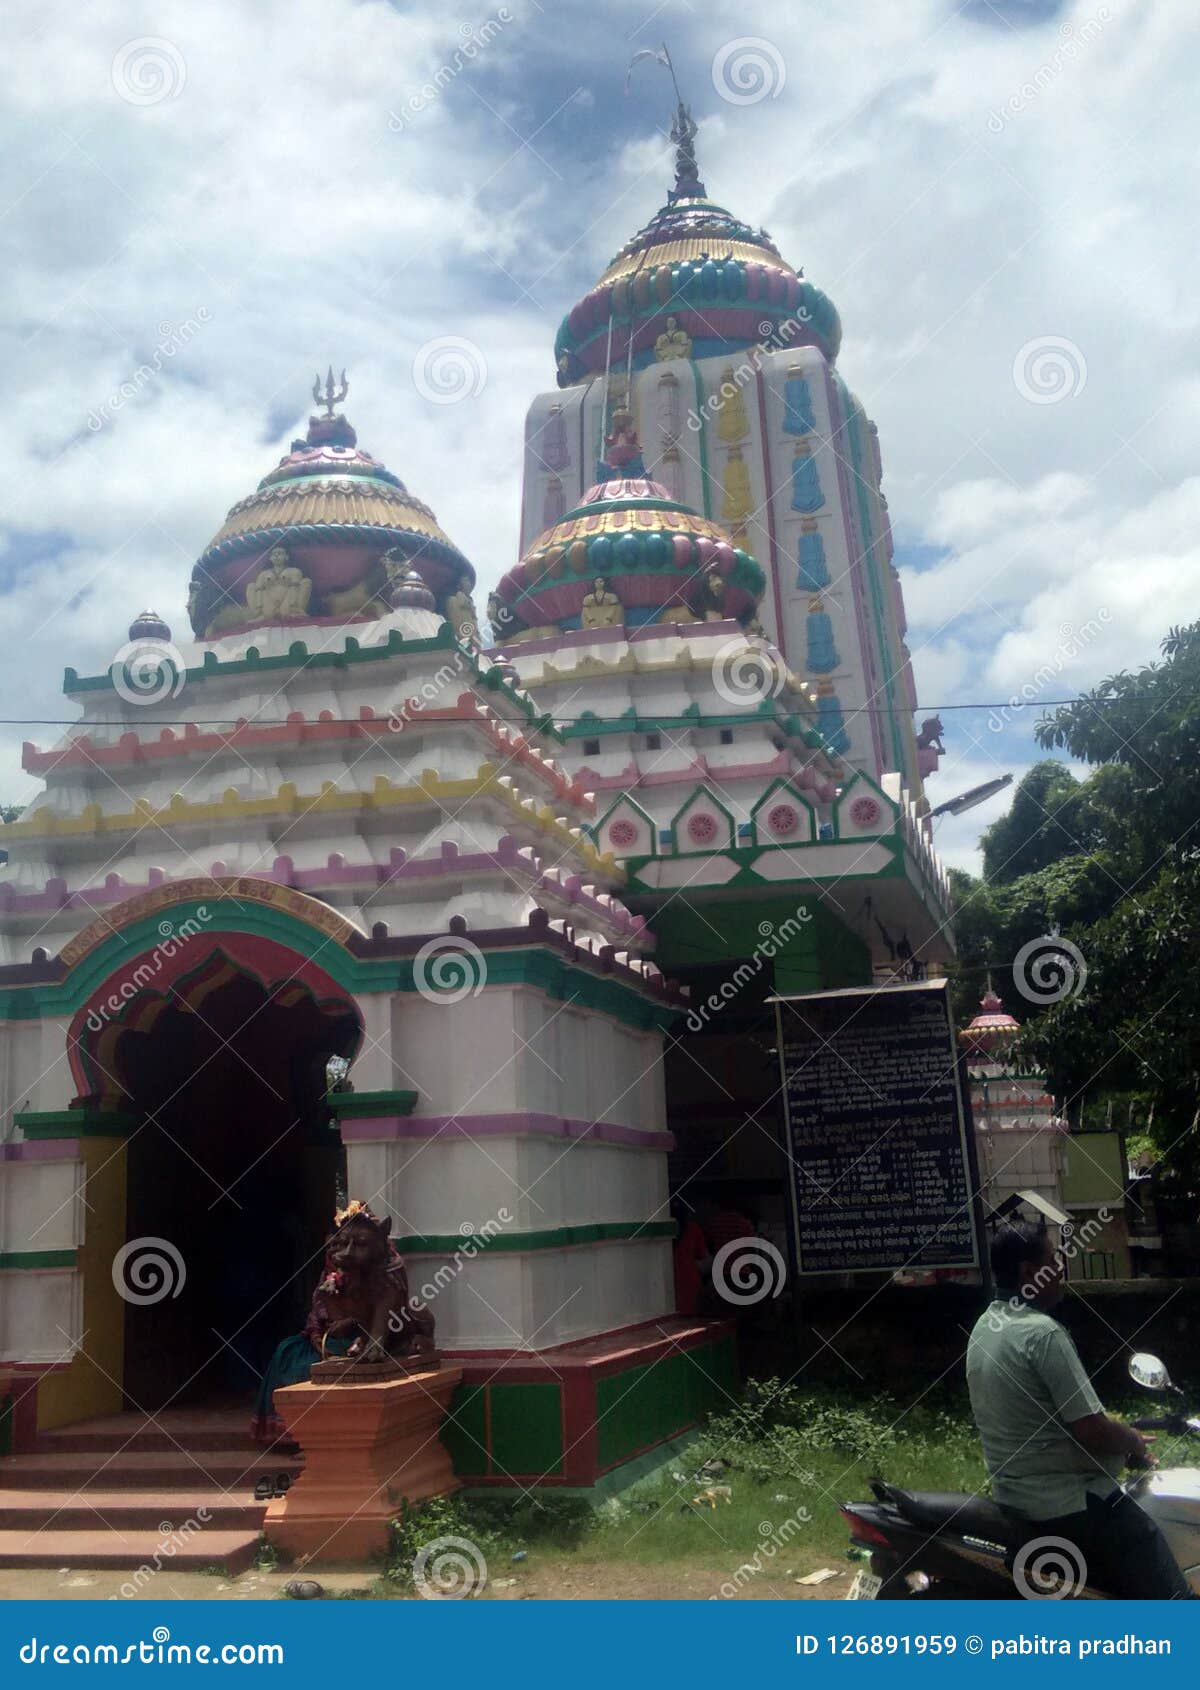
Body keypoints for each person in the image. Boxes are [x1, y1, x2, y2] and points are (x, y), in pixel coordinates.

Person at [966, 1219, 1193, 1599]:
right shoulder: (1042, 1333)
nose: (1061, 1269)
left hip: (1015, 1497)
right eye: (1053, 1259)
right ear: (1028, 1272)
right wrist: (1133, 1442)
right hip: (1071, 1504)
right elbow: (1092, 1430)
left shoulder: (986, 1327)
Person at [671, 1197, 710, 1317]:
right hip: (690, 1282)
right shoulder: (693, 1228)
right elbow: (704, 1258)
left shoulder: (663, 1230)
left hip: (669, 1282)